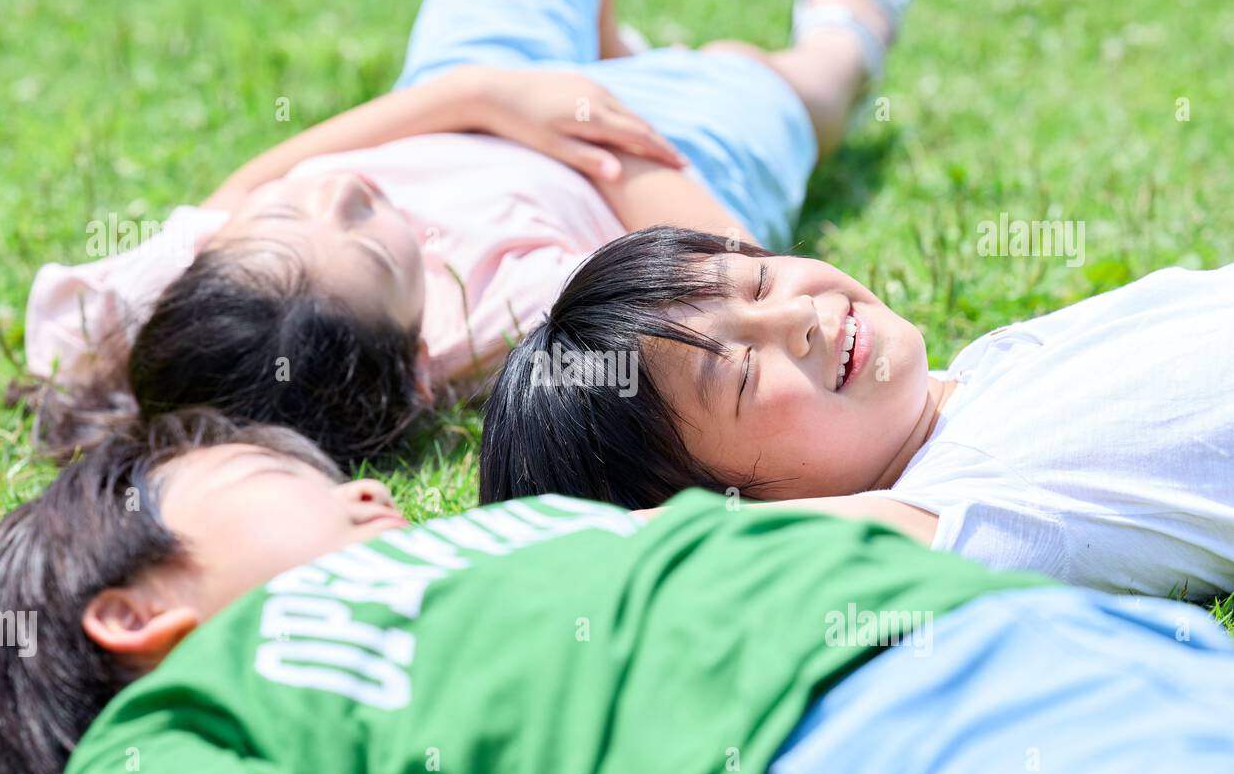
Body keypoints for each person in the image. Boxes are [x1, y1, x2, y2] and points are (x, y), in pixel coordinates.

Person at [0, 410, 1231, 774]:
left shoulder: (509, 544)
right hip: (863, 742)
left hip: (1064, 649)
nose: (376, 485)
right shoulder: (196, 717)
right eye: (290, 480)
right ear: (135, 611)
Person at [26, 0, 911, 472]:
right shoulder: (495, 320)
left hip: (467, 88)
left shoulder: (199, 304)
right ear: (416, 363)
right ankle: (842, 30)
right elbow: (721, 256)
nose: (345, 186)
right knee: (781, 89)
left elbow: (250, 186)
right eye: (371, 244)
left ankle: (608, 47)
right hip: (650, 152)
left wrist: (492, 95)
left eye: (289, 210)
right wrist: (609, 137)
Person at [480, 226, 1234, 601]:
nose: (798, 317)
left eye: (760, 279)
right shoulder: (971, 508)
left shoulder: (973, 377)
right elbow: (621, 548)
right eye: (740, 374)